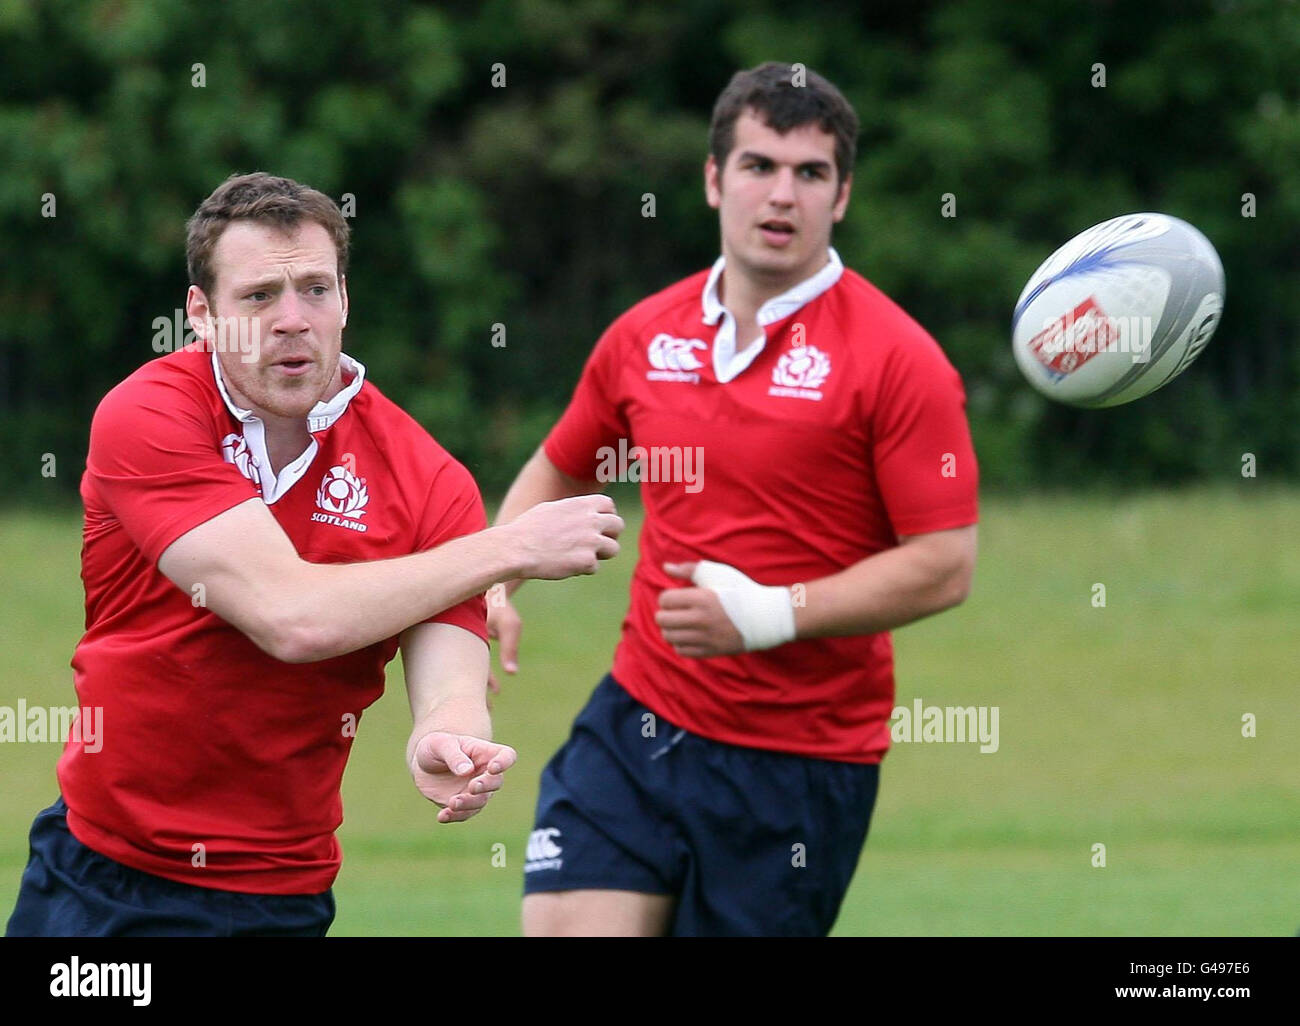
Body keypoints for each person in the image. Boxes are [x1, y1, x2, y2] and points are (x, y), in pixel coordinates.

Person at [6, 172, 623, 937]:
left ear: (345, 300)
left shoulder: (428, 479)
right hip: (99, 879)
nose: (292, 320)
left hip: (281, 896)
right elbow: (290, 617)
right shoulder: (149, 413)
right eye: (260, 296)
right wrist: (508, 548)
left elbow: (451, 680)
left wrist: (445, 737)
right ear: (202, 314)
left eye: (315, 290)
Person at [490, 63, 979, 936]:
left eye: (810, 172)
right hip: (640, 722)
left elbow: (945, 567)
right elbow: (564, 465)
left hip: (796, 768)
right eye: (759, 166)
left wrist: (772, 614)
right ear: (715, 180)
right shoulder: (645, 335)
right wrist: (496, 578)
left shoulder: (899, 359)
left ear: (843, 195)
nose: (781, 194)